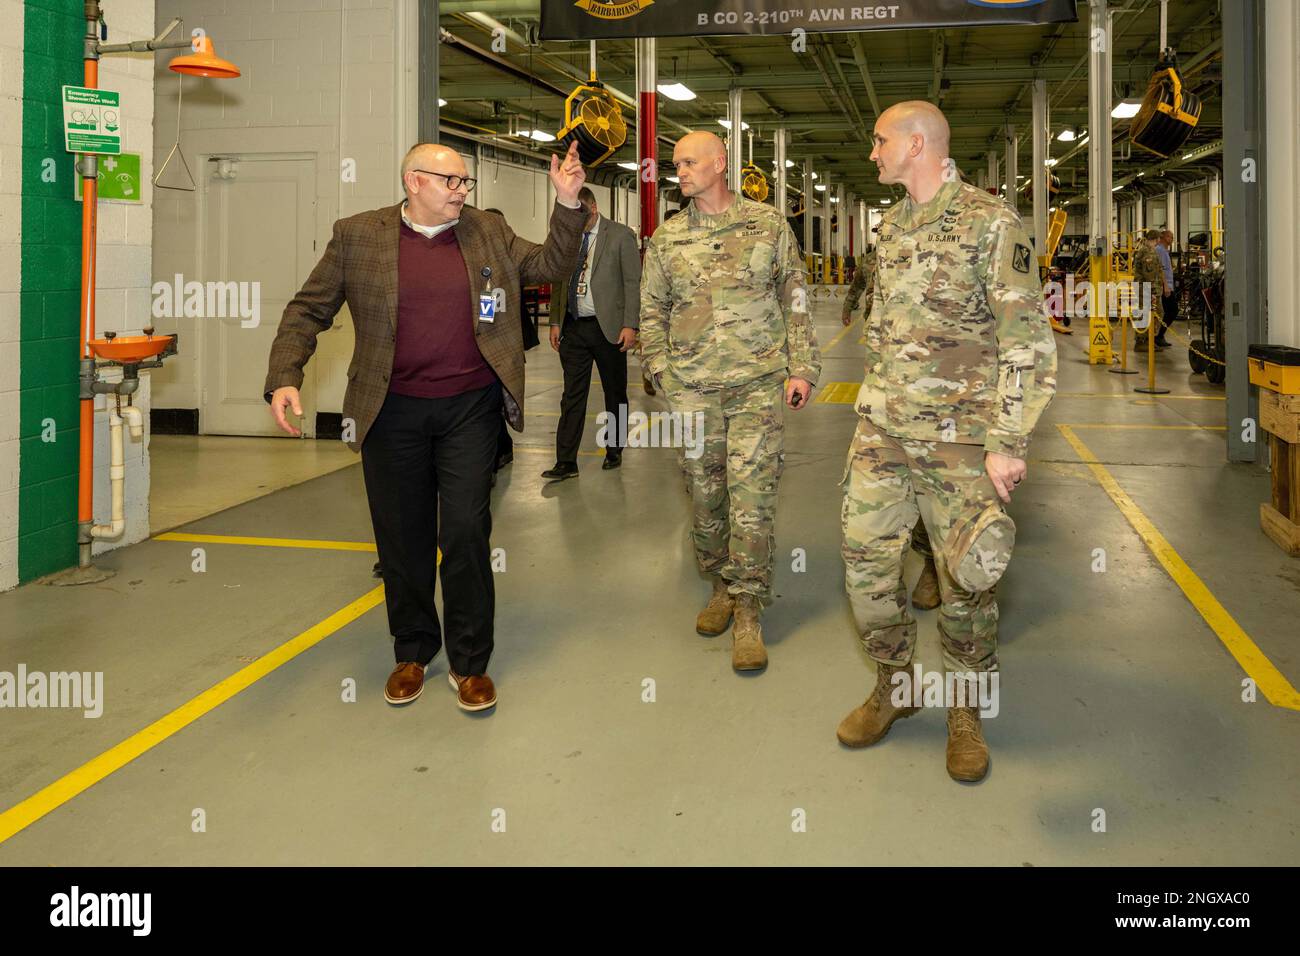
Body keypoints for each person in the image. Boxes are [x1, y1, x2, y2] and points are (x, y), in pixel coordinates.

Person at [264, 141, 588, 713]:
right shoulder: (359, 236)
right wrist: (285, 373)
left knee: (465, 528)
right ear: (414, 182)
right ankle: (412, 650)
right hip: (391, 410)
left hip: (470, 406)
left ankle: (470, 662)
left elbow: (550, 266)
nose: (463, 192)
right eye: (452, 182)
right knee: (402, 537)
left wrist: (566, 203)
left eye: (465, 183)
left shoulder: (487, 229)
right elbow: (308, 308)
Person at [836, 102, 1057, 781]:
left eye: (880, 141)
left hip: (962, 440)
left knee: (965, 585)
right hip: (883, 430)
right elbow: (882, 324)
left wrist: (1008, 440)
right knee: (866, 570)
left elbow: (1028, 342)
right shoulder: (892, 226)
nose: (872, 153)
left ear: (915, 143)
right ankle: (895, 687)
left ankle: (964, 711)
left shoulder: (993, 225)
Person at [640, 131, 821, 673]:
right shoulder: (667, 238)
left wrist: (804, 367)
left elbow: (796, 294)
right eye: (676, 165)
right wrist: (660, 371)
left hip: (758, 386)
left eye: (690, 162)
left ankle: (748, 607)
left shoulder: (767, 224)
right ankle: (719, 582)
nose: (681, 172)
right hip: (692, 390)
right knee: (704, 494)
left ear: (721, 165)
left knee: (754, 497)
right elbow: (651, 308)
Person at [843, 244, 941, 610]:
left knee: (934, 496)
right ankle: (886, 589)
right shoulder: (885, 247)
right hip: (890, 381)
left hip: (945, 397)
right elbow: (863, 290)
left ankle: (933, 563)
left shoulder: (982, 228)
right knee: (880, 514)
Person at [542, 187, 642, 479]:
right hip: (574, 327)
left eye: (580, 216)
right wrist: (555, 321)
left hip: (607, 327)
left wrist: (630, 325)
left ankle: (615, 447)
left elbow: (632, 283)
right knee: (572, 395)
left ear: (594, 208)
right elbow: (560, 279)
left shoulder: (621, 235)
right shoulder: (567, 236)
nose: (575, 223)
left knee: (615, 392)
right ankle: (566, 461)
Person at [1132, 229, 1166, 351]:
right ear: (1157, 239)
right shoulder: (1148, 252)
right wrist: (1152, 292)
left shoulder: (1147, 250)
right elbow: (1149, 274)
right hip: (1146, 288)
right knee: (1147, 314)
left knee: (1148, 314)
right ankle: (1142, 341)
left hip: (1145, 288)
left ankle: (1148, 339)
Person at [1156, 229, 1176, 347]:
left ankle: (1160, 335)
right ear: (1164, 237)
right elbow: (1161, 270)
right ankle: (1159, 336)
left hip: (1168, 285)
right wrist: (1166, 286)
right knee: (1172, 311)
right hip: (1166, 287)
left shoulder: (1164, 251)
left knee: (1170, 311)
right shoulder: (1160, 251)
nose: (1172, 239)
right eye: (1170, 237)